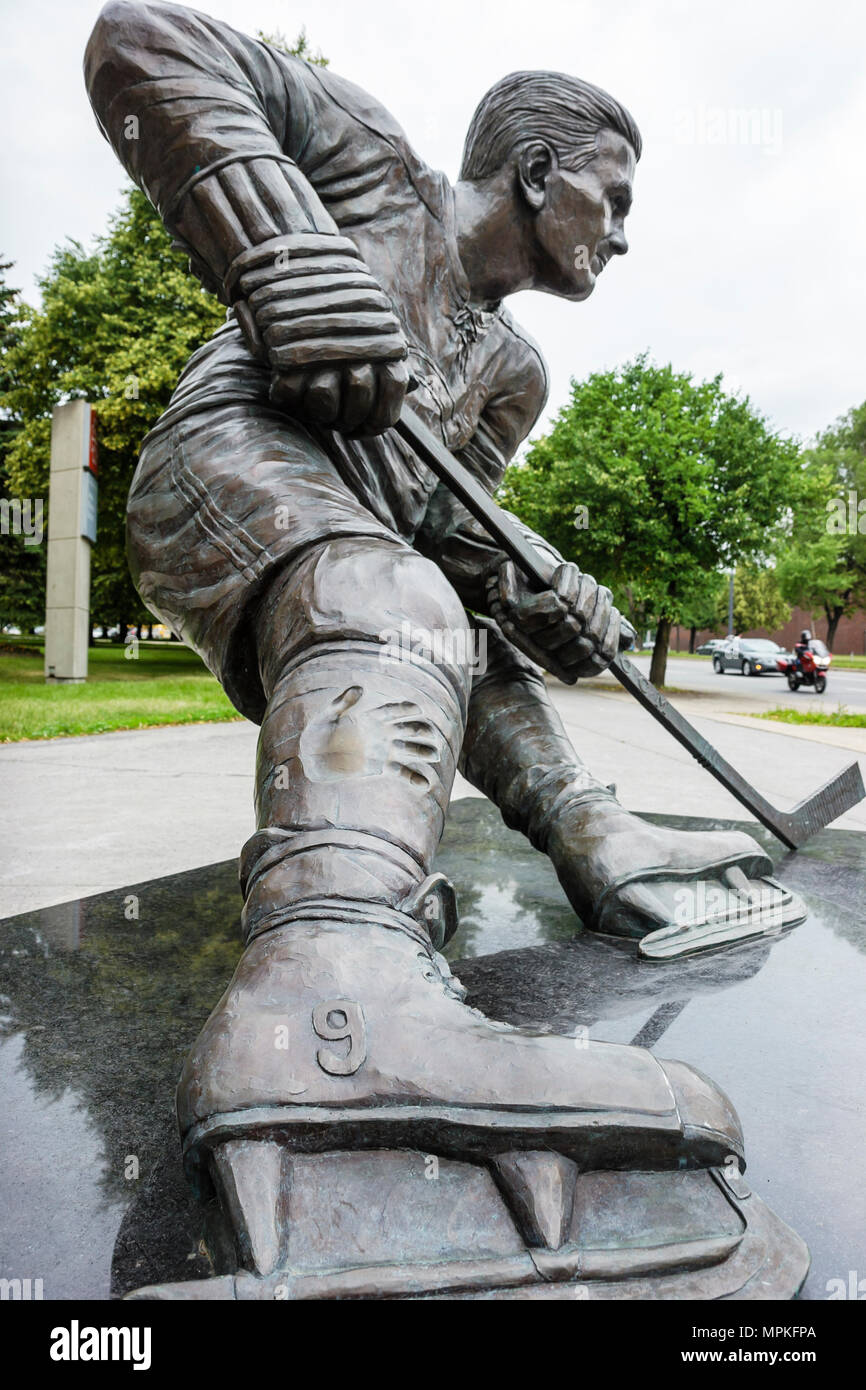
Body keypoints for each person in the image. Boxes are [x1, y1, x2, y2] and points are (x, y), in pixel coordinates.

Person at [85, 1, 762, 1241]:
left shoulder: (514, 375)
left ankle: (593, 838)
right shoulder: (376, 171)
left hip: (360, 542)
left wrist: (536, 580)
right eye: (609, 199)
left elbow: (453, 532)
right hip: (227, 463)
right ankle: (328, 996)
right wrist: (277, 248)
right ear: (537, 172)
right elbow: (143, 41)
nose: (620, 235)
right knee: (392, 597)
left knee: (439, 605)